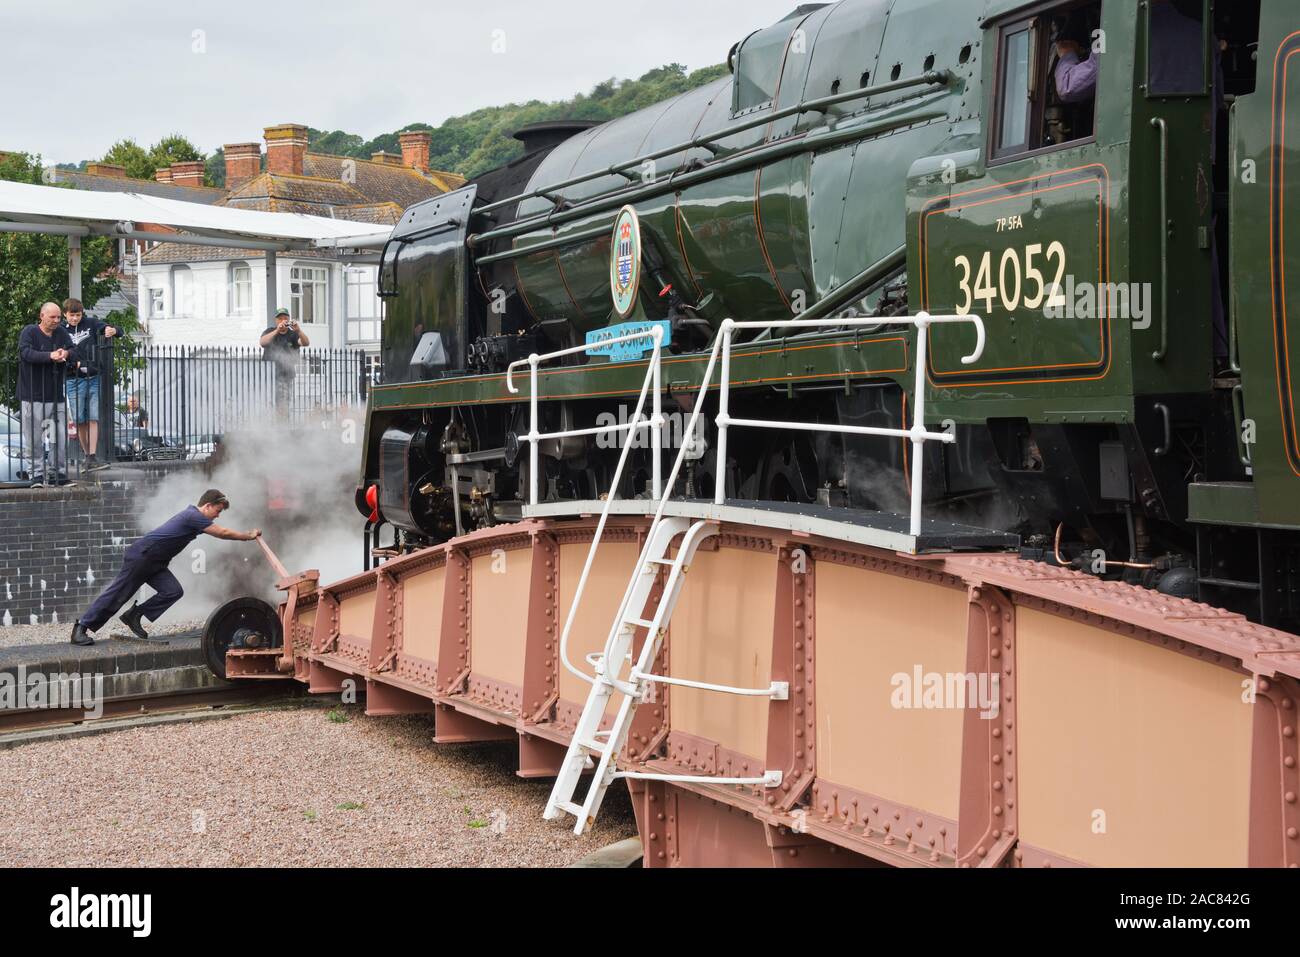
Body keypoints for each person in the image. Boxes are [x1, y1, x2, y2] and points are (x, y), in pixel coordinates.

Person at [70, 489, 261, 645]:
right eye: (217, 511)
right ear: (207, 505)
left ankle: (134, 615)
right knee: (118, 594)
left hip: (156, 563)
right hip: (142, 557)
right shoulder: (193, 515)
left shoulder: (194, 518)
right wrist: (248, 535)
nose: (217, 516)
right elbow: (223, 533)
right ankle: (81, 627)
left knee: (173, 591)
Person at [17, 302, 75, 486]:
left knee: (59, 437)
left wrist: (66, 352)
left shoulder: (61, 333)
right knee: (34, 438)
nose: (57, 321)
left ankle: (58, 474)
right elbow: (25, 353)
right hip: (32, 394)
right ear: (42, 315)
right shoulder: (30, 332)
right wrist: (49, 356)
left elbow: (75, 350)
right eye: (52, 317)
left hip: (56, 395)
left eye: (59, 317)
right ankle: (37, 476)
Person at [62, 298, 118, 470]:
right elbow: (60, 354)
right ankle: (87, 455)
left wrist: (112, 330)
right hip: (73, 379)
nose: (75, 319)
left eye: (78, 315)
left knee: (93, 417)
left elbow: (106, 328)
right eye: (71, 315)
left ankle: (92, 455)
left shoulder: (91, 323)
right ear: (65, 315)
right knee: (79, 419)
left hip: (93, 377)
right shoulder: (61, 331)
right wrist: (74, 365)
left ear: (82, 313)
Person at [259, 307, 309, 410]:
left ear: (288, 320)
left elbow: (305, 343)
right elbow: (262, 342)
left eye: (285, 318)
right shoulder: (269, 331)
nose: (282, 321)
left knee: (283, 405)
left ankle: (283, 424)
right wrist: (277, 331)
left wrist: (298, 330)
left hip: (286, 377)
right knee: (266, 404)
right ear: (276, 320)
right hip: (268, 377)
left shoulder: (293, 334)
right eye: (280, 318)